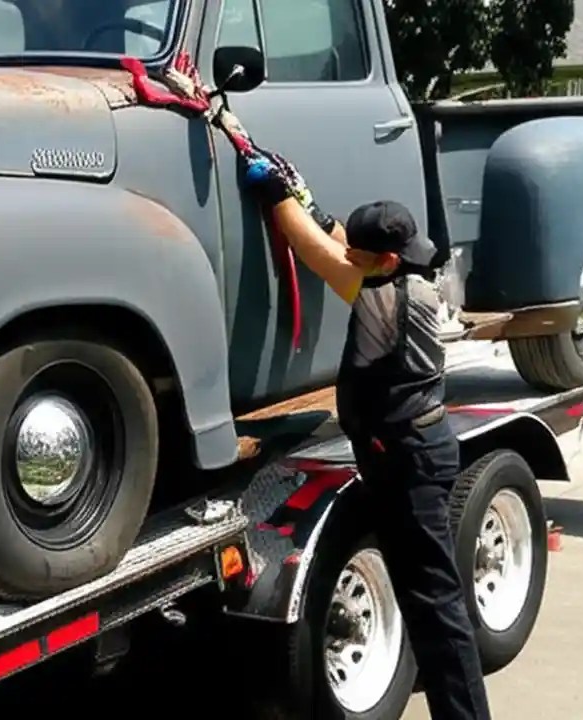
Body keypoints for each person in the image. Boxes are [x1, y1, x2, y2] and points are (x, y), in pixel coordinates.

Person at [242, 149, 492, 720]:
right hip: (416, 453)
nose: (349, 252)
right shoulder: (404, 277)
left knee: (437, 606)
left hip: (412, 463)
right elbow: (335, 240)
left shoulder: (385, 300)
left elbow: (319, 252)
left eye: (361, 251)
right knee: (427, 599)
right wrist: (297, 190)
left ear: (381, 259)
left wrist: (278, 199)